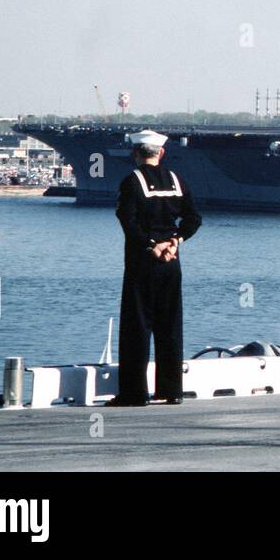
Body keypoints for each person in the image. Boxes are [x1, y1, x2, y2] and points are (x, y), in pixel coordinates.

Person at [109, 130, 202, 406]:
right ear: (161, 153)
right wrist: (175, 240)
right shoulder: (177, 180)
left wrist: (153, 246)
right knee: (170, 325)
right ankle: (171, 391)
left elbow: (129, 222)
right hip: (172, 263)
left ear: (136, 153)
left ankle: (134, 394)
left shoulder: (131, 181)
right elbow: (194, 218)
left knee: (137, 326)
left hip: (143, 263)